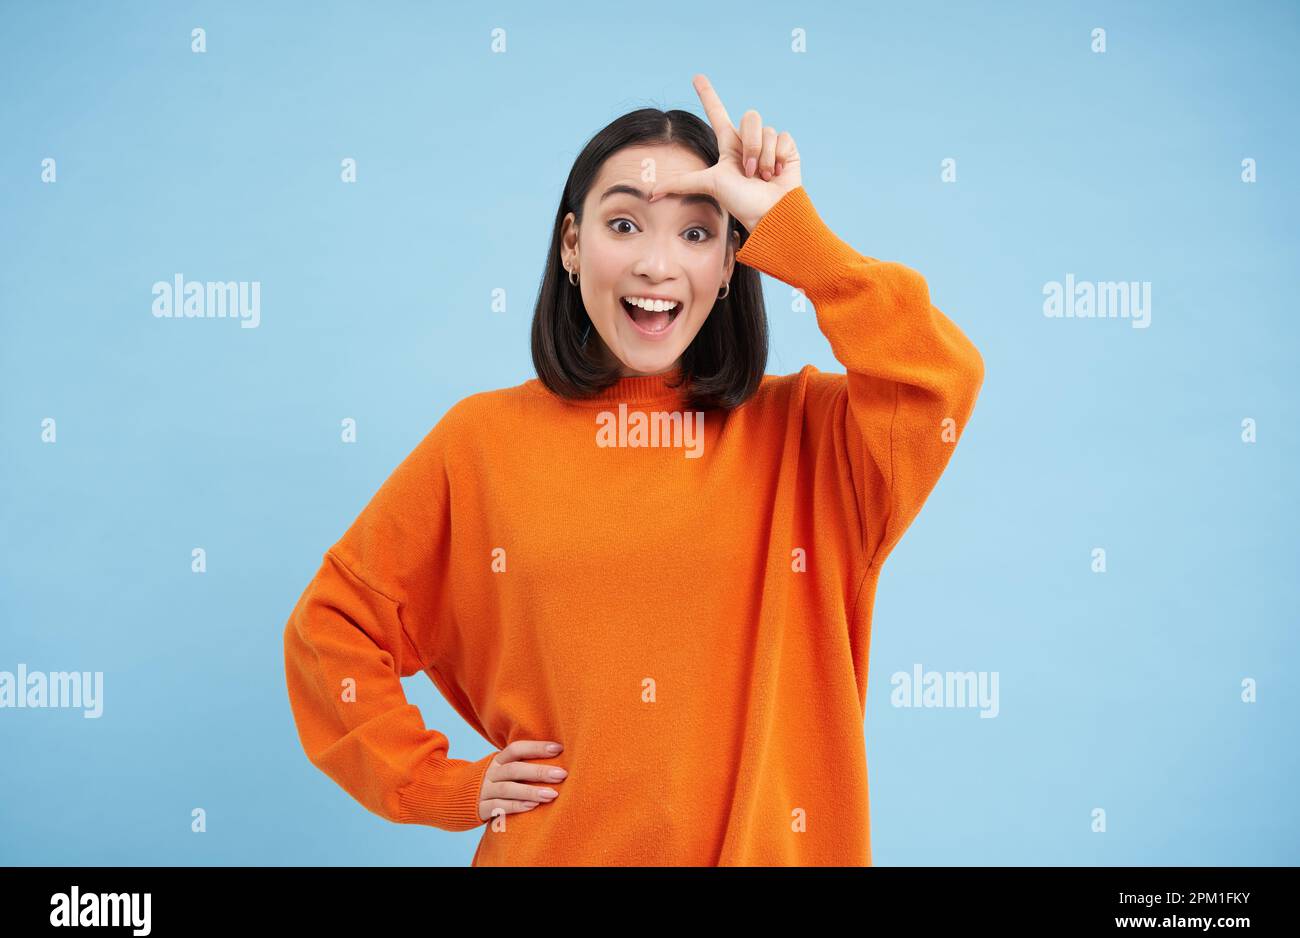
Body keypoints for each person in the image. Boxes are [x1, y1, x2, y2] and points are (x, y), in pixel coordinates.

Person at [283, 74, 985, 866]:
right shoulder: (479, 442)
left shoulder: (812, 440)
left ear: (731, 265)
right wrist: (438, 782)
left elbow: (939, 378)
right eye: (625, 224)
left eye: (696, 233)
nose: (657, 264)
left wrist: (795, 232)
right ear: (573, 245)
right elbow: (329, 629)